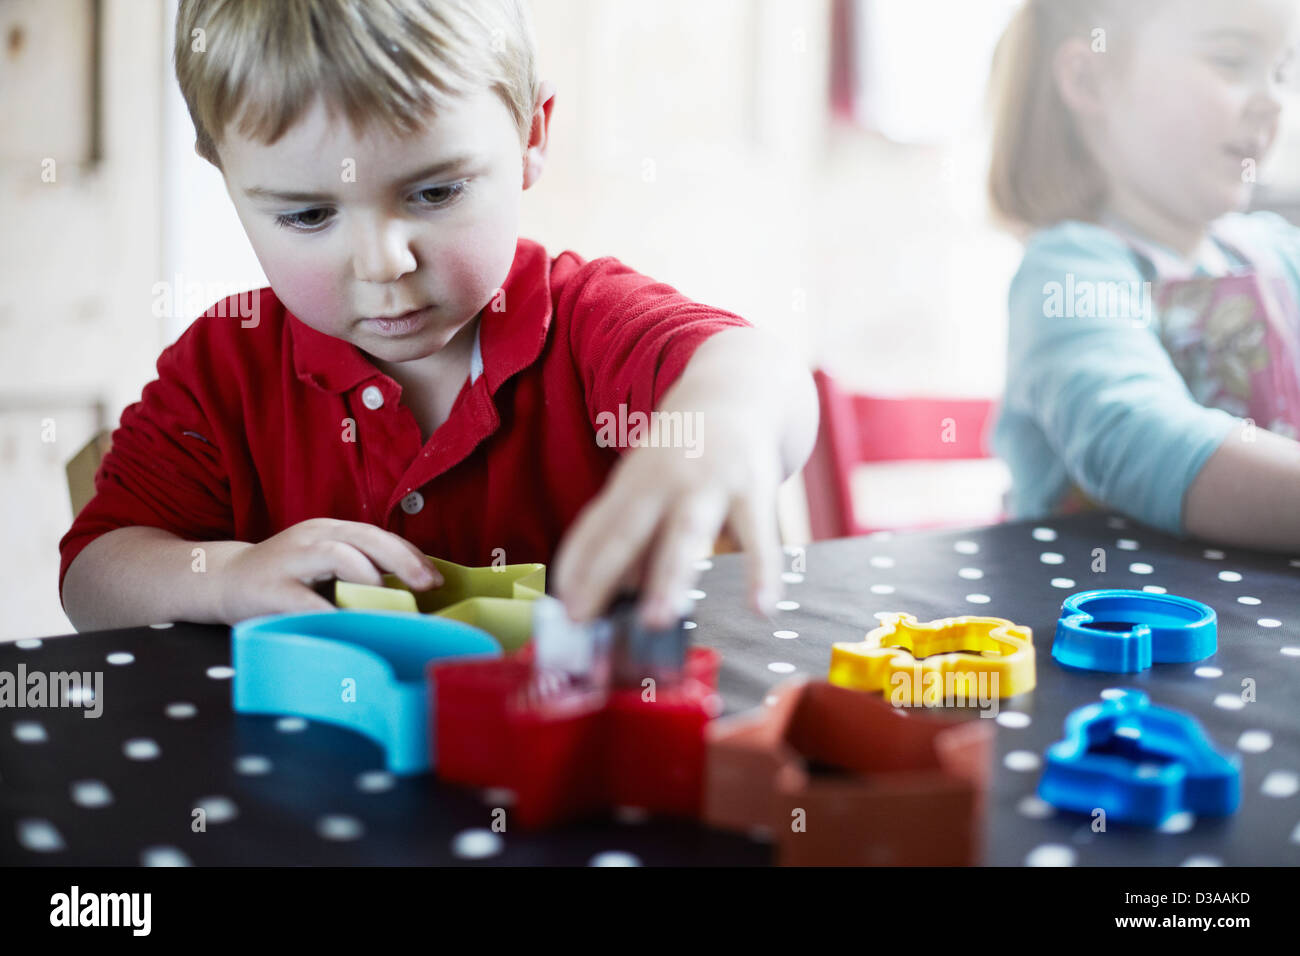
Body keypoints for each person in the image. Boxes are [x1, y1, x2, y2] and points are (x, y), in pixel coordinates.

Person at [59, 0, 817, 631]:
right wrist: (226, 577)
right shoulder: (226, 365)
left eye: (434, 193)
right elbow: (93, 575)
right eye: (310, 214)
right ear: (228, 179)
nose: (383, 262)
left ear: (530, 135)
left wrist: (721, 426)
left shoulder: (587, 323)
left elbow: (759, 373)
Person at [988, 0, 1300, 549]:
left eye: (1279, 72)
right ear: (1090, 80)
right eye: (1230, 61)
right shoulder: (1069, 271)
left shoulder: (1276, 253)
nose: (1272, 101)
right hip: (1103, 626)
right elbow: (1139, 440)